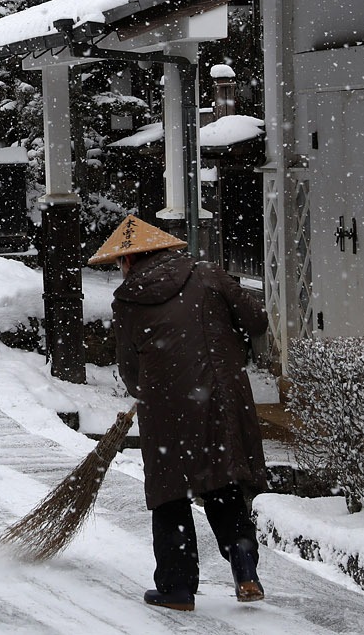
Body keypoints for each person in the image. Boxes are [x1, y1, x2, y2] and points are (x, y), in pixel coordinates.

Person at [91, 214, 268, 612]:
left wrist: (150, 388)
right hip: (221, 396)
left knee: (171, 492)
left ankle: (177, 587)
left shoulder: (127, 300)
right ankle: (244, 567)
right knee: (221, 481)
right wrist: (228, 348)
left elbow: (129, 368)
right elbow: (256, 320)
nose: (121, 269)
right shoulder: (207, 274)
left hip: (165, 406)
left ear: (131, 261)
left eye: (122, 263)